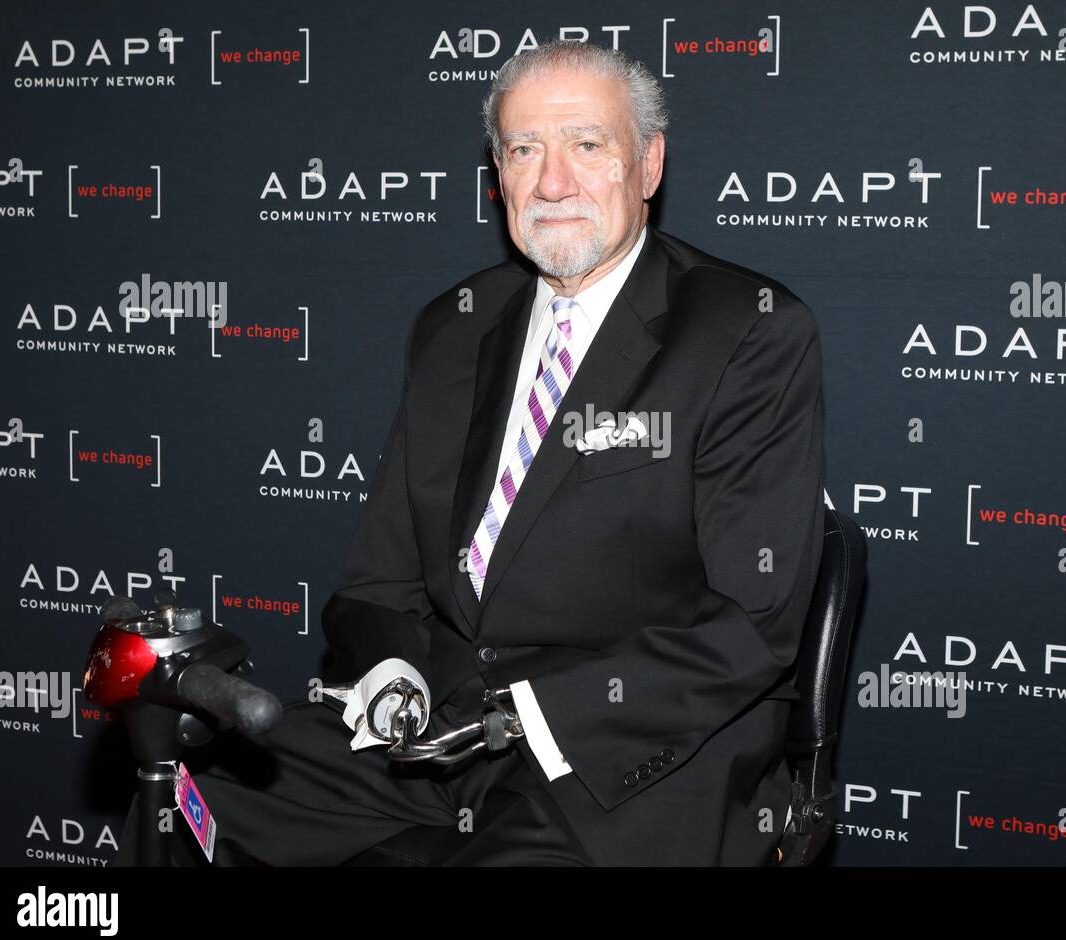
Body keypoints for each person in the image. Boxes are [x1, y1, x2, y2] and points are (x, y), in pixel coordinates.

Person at [115, 38, 825, 867]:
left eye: (587, 146)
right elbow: (377, 582)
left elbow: (753, 625)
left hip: (628, 756)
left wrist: (525, 714)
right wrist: (391, 673)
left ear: (649, 164)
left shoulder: (748, 329)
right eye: (525, 150)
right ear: (499, 173)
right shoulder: (454, 326)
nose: (552, 182)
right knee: (184, 810)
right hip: (434, 734)